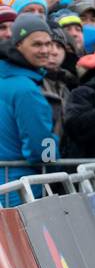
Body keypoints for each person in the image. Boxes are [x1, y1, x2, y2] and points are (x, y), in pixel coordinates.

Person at [0, 14, 59, 204]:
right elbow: (40, 148)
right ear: (18, 45)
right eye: (36, 44)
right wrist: (54, 155)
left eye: (48, 43)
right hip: (19, 191)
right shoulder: (27, 90)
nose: (45, 50)